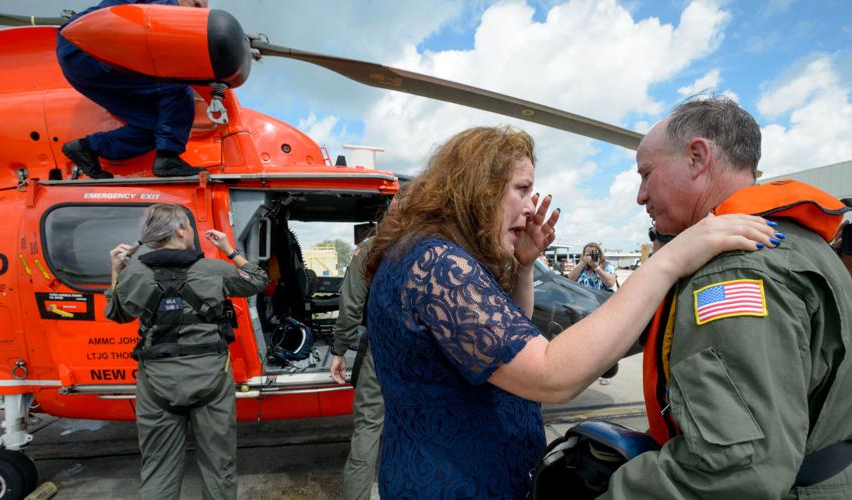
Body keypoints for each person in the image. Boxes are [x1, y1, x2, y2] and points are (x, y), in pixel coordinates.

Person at [361, 126, 777, 499]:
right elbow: (549, 375)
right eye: (521, 189)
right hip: (457, 482)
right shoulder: (438, 264)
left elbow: (506, 340)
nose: (530, 208)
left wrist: (524, 266)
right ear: (480, 187)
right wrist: (669, 260)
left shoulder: (421, 253)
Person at [602, 96, 852, 498]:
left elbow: (734, 471)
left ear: (697, 158)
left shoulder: (735, 270)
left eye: (647, 174)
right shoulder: (800, 244)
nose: (641, 195)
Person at [105, 204, 268, 499]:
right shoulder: (215, 270)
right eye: (189, 226)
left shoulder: (134, 275)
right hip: (211, 380)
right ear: (181, 230)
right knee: (219, 467)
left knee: (158, 470)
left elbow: (117, 313)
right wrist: (229, 250)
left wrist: (116, 271)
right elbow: (257, 280)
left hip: (156, 381)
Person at [57, 0, 208, 179]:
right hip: (87, 47)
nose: (197, 15)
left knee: (152, 127)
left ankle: (87, 148)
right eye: (196, 5)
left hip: (82, 61)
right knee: (176, 88)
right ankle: (168, 159)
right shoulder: (166, 8)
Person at [330, 236, 382, 500]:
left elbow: (351, 307)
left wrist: (339, 350)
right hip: (429, 353)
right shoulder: (441, 240)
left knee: (369, 427)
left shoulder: (372, 246)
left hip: (383, 349)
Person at [569, 243, 619, 385]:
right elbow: (570, 279)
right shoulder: (582, 268)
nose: (591, 256)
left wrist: (597, 267)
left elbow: (610, 283)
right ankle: (586, 373)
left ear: (599, 254)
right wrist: (582, 263)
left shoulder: (606, 266)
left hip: (601, 311)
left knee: (605, 344)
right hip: (582, 312)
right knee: (585, 344)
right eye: (588, 253)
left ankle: (607, 373)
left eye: (593, 253)